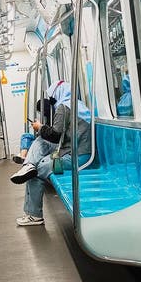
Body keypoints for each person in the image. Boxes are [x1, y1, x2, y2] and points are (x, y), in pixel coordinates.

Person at [10, 81, 91, 226]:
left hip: (74, 158)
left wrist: (40, 127)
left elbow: (55, 135)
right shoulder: (79, 105)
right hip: (82, 154)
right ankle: (28, 164)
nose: (52, 101)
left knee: (39, 168)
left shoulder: (63, 107)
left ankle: (34, 214)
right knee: (41, 143)